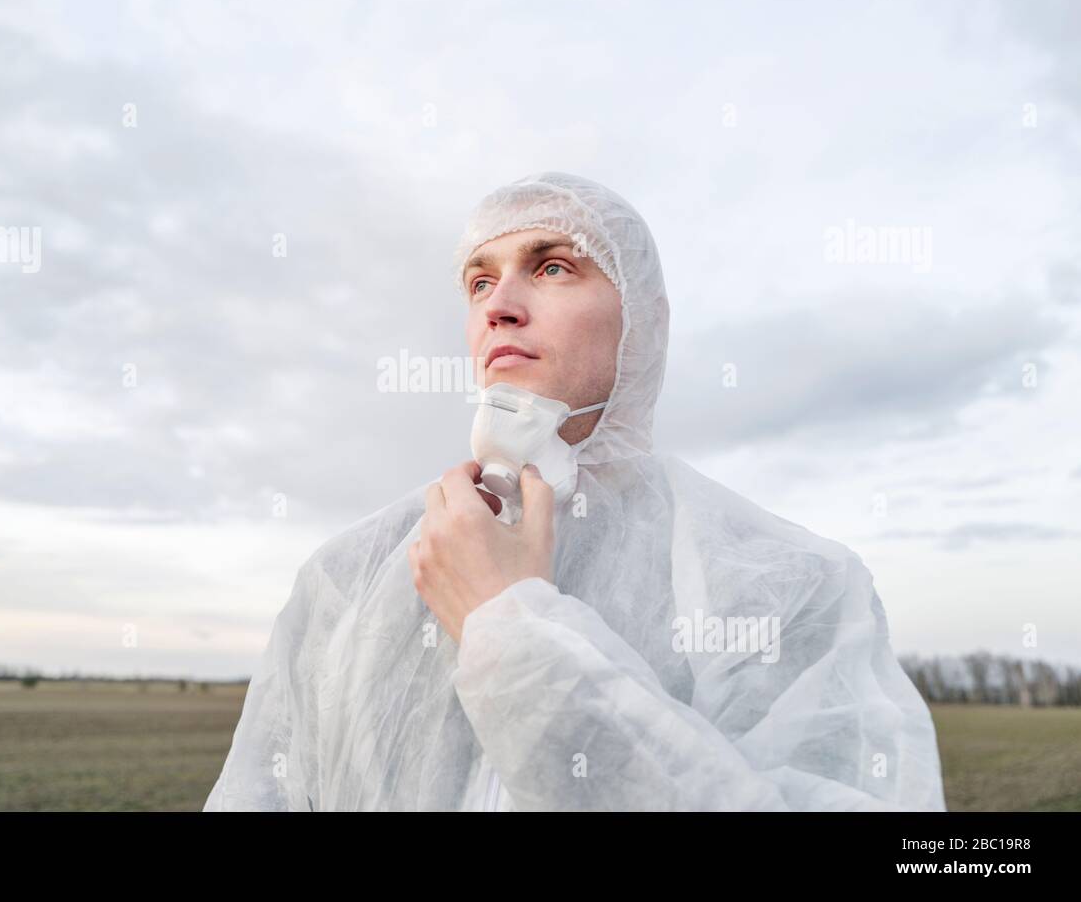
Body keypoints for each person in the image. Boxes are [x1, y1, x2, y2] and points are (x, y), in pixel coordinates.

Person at [203, 171, 947, 811]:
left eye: (554, 266)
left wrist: (514, 630)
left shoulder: (790, 586)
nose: (500, 305)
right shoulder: (346, 579)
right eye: (481, 281)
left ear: (642, 321)